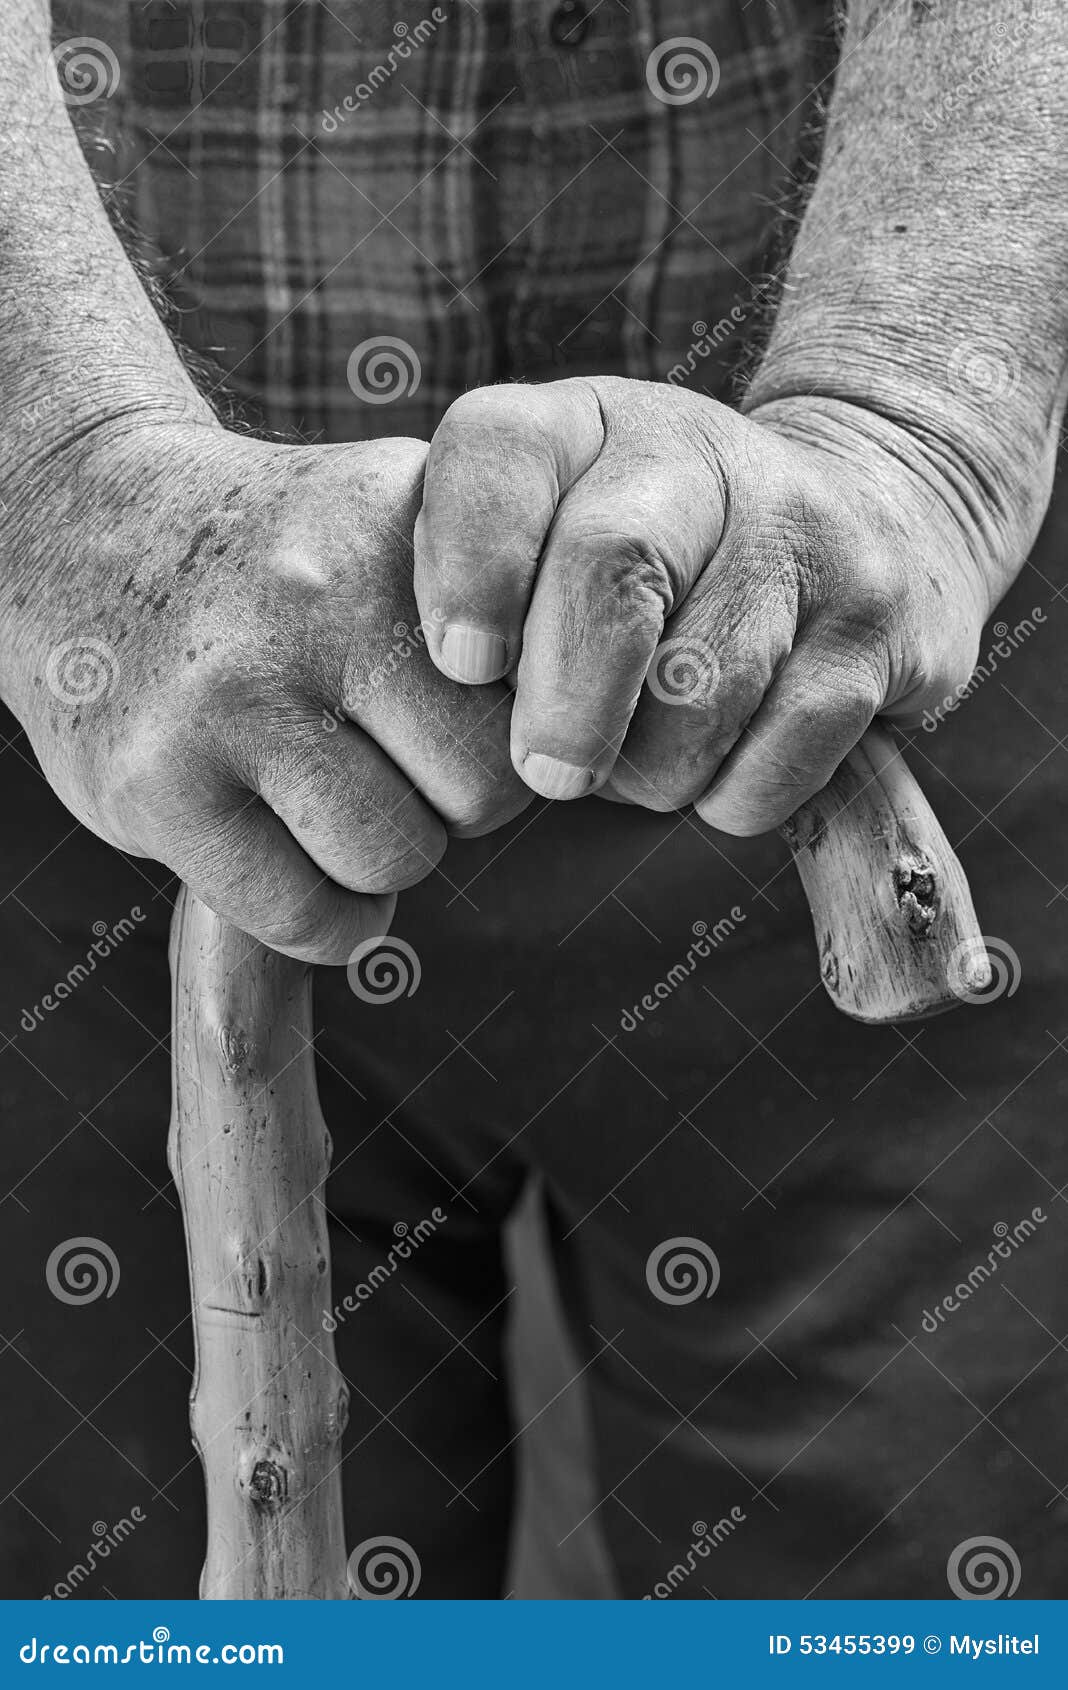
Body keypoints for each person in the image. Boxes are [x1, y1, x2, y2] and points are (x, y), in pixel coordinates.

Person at [1, 0, 1065, 1599]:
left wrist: (903, 416)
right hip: (93, 730)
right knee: (127, 1594)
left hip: (872, 651)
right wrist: (59, 474)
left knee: (899, 1614)